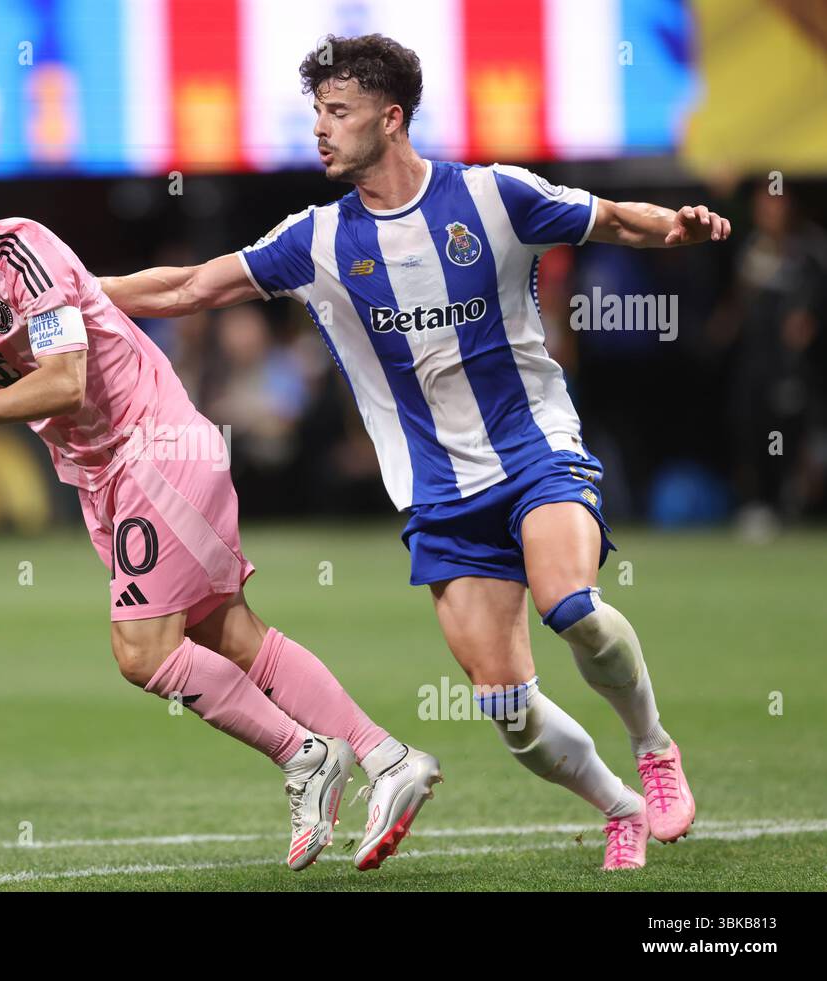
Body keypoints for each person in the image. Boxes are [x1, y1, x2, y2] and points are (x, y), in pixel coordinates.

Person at [99, 34, 732, 870]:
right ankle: (617, 806)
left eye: (338, 111)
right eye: (315, 113)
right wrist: (71, 294)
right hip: (439, 494)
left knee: (568, 603)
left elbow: (613, 218)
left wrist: (680, 228)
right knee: (511, 714)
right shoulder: (314, 240)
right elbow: (189, 286)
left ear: (391, 118)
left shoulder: (493, 197)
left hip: (535, 451)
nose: (320, 130)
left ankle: (653, 748)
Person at [0, 160, 441, 871]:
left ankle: (306, 755)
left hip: (154, 447)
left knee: (141, 652)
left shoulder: (29, 255)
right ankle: (390, 759)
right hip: (101, 474)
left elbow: (64, 380)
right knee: (230, 632)